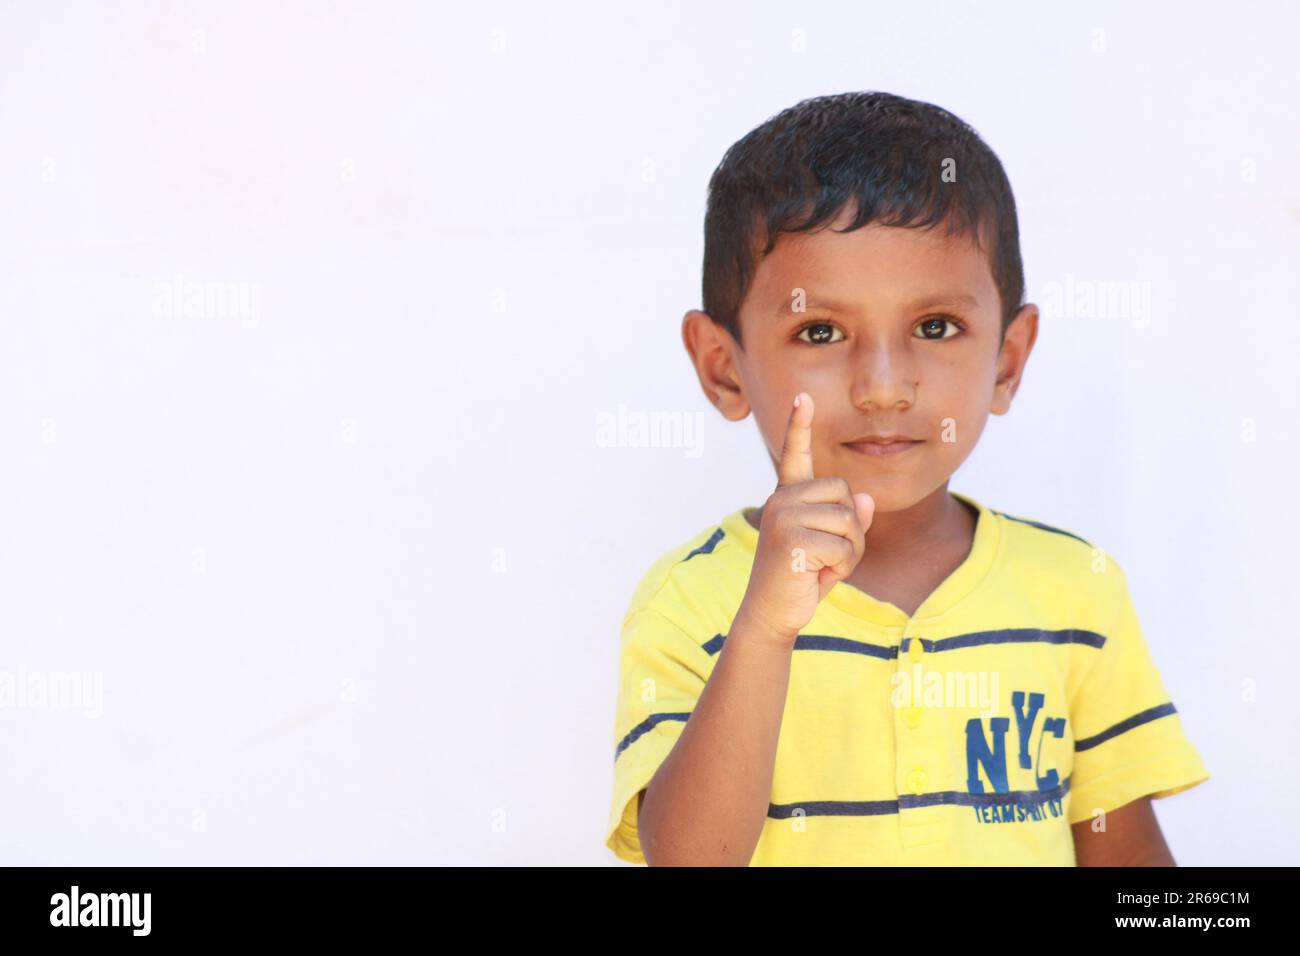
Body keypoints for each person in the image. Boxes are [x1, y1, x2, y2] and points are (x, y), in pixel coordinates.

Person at [604, 90, 1209, 866]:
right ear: (725, 369)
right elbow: (691, 859)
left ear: (1008, 359)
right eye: (820, 331)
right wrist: (762, 629)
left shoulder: (1076, 592)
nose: (884, 385)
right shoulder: (690, 599)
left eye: (935, 327)